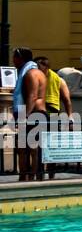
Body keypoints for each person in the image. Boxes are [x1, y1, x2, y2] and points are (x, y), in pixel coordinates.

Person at [11, 47, 46, 182]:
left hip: (33, 113)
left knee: (26, 148)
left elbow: (32, 96)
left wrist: (25, 116)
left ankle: (27, 176)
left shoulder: (30, 73)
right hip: (39, 113)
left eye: (14, 57)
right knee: (31, 148)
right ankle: (31, 175)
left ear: (21, 58)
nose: (13, 60)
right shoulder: (39, 73)